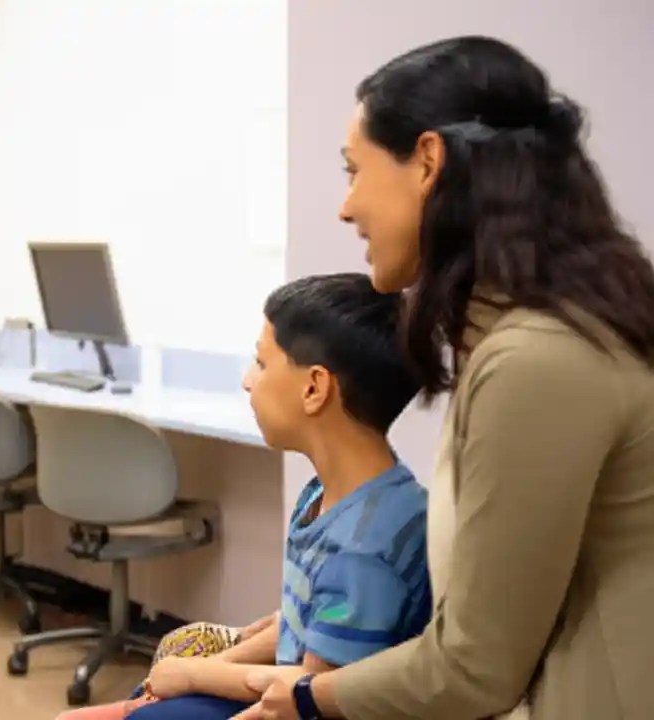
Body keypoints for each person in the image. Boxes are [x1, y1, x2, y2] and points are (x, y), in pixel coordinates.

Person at [242, 36, 654, 720]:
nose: (346, 209)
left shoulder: (537, 361)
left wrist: (307, 697)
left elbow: (473, 670)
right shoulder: (544, 335)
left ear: (428, 161)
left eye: (354, 172)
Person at [57, 273, 430, 720]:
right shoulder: (328, 496)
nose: (247, 381)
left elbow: (309, 695)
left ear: (314, 388)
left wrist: (193, 676)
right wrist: (202, 666)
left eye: (261, 363)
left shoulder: (365, 548)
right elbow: (304, 626)